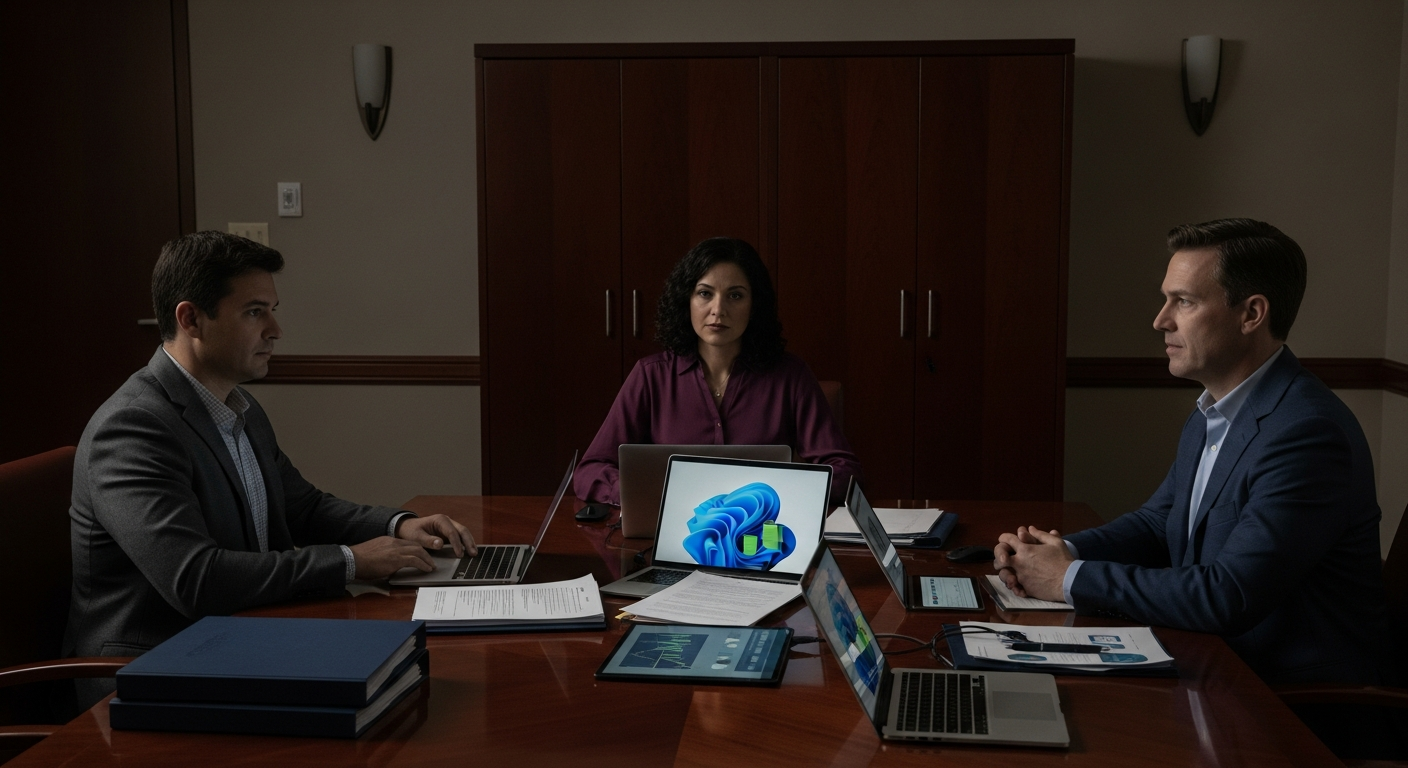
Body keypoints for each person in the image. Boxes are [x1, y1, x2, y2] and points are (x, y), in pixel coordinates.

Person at [65, 231, 475, 705]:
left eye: (272, 310)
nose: (275, 330)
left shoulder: (239, 407)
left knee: (415, 677)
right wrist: (351, 561)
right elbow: (195, 579)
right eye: (254, 312)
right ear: (190, 318)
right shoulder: (133, 427)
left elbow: (303, 507)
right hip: (152, 669)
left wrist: (397, 526)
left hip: (242, 636)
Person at [994, 218, 1390, 688]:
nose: (1161, 320)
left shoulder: (1307, 433)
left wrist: (1067, 578)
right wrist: (1053, 555)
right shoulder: (1213, 409)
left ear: (1251, 314)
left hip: (1287, 700)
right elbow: (1160, 524)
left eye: (1183, 301)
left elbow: (1229, 595)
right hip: (1214, 663)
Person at [574, 237, 860, 506]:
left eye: (735, 295)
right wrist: (640, 494)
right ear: (686, 300)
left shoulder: (791, 376)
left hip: (763, 527)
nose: (718, 309)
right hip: (668, 529)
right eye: (705, 293)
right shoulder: (651, 376)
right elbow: (590, 470)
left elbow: (844, 470)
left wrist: (782, 491)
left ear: (754, 305)